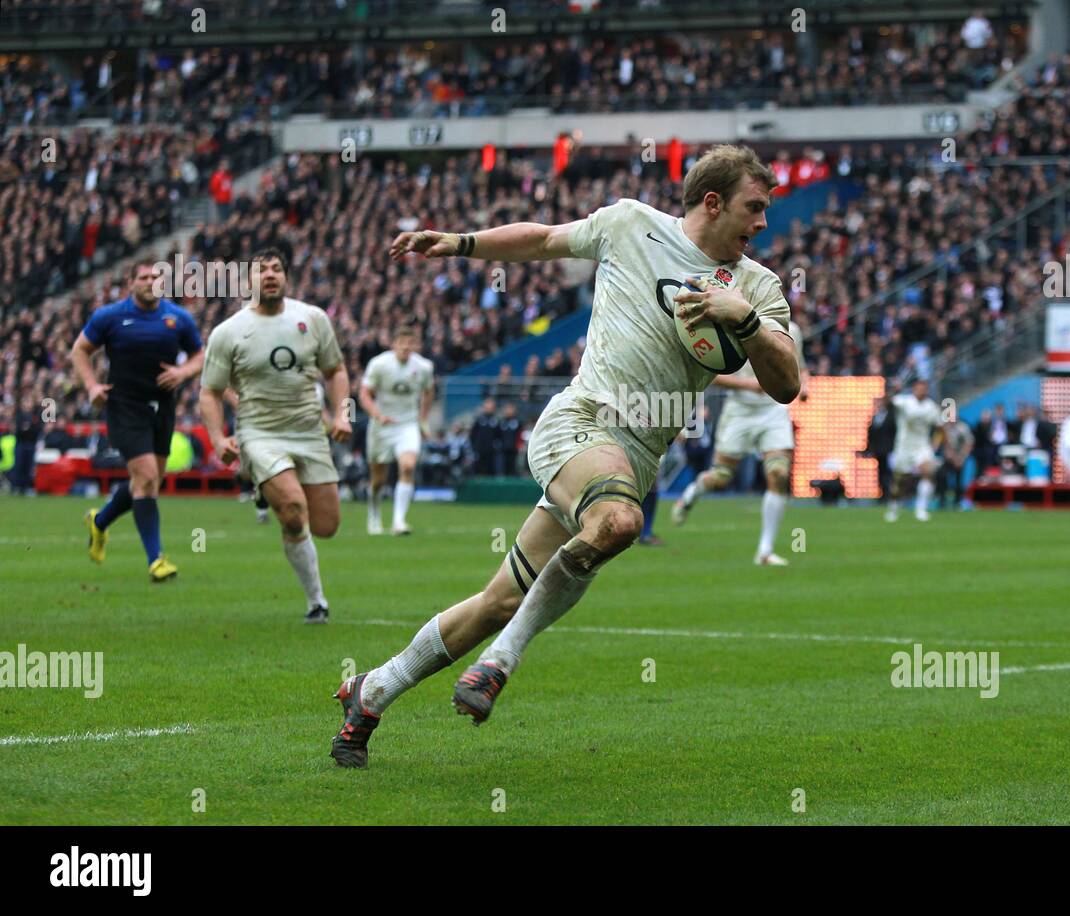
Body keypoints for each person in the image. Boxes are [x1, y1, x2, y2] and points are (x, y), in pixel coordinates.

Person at [329, 144, 799, 767]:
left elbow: (788, 382)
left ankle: (372, 689)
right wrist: (460, 242)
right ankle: (501, 663)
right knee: (619, 523)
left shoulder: (756, 286)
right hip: (579, 422)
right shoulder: (631, 224)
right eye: (755, 207)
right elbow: (545, 239)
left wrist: (741, 319)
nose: (763, 223)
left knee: (496, 601)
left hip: (633, 460)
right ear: (713, 202)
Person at [198, 249, 353, 623]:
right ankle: (317, 602)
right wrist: (219, 440)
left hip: (309, 432)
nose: (270, 275)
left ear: (286, 277)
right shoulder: (229, 331)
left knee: (326, 526)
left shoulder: (313, 319)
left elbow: (336, 370)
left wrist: (342, 415)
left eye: (277, 269)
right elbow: (210, 392)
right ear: (249, 281)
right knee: (295, 510)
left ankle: (270, 494)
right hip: (260, 433)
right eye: (261, 270)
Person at [73, 260, 204, 582]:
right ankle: (155, 561)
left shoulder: (178, 318)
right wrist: (91, 386)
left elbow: (201, 354)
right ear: (130, 283)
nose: (150, 281)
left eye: (156, 276)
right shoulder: (109, 317)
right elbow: (79, 350)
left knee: (150, 480)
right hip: (125, 405)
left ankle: (100, 522)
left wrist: (183, 372)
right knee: (146, 477)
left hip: (163, 406)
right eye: (143, 277)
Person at [672, 320, 809, 565]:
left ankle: (765, 551)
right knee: (720, 477)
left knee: (778, 473)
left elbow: (799, 366)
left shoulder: (791, 329)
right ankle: (692, 494)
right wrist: (749, 385)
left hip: (773, 408)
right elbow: (710, 375)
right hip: (739, 410)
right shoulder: (729, 324)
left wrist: (805, 386)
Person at [359, 323, 434, 535]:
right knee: (378, 480)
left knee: (408, 466)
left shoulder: (424, 367)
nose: (406, 347)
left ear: (415, 345)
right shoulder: (379, 364)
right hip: (381, 426)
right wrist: (377, 414)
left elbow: (429, 391)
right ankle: (374, 512)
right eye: (402, 343)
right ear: (394, 344)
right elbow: (364, 393)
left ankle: (398, 521)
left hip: (407, 425)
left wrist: (423, 419)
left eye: (410, 343)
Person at [885, 378, 943, 522]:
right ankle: (894, 507)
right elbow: (887, 403)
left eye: (924, 388)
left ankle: (921, 509)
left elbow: (940, 428)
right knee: (901, 481)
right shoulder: (904, 402)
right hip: (904, 446)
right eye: (919, 387)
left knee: (928, 471)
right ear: (913, 389)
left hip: (921, 446)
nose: (922, 390)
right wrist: (892, 391)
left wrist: (936, 444)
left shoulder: (931, 407)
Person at [936, 415, 973, 509]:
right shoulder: (945, 428)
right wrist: (953, 458)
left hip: (960, 458)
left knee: (959, 480)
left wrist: (961, 458)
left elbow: (968, 443)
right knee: (942, 475)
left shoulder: (963, 428)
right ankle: (942, 500)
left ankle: (958, 502)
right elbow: (945, 445)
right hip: (949, 458)